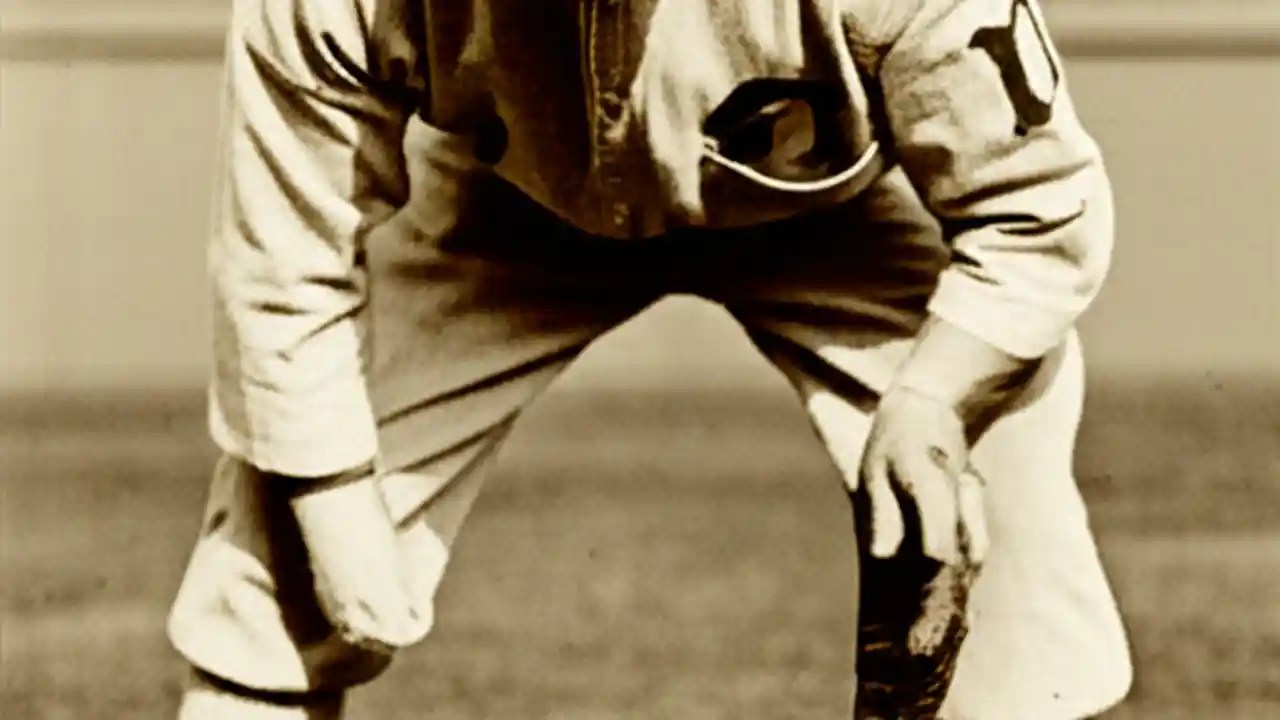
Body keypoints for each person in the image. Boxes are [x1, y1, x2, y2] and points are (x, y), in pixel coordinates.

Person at [168, 0, 1133, 717]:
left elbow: (1037, 214)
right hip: (513, 201)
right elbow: (285, 257)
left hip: (830, 214)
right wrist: (333, 501)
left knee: (1000, 524)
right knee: (274, 552)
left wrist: (935, 403)